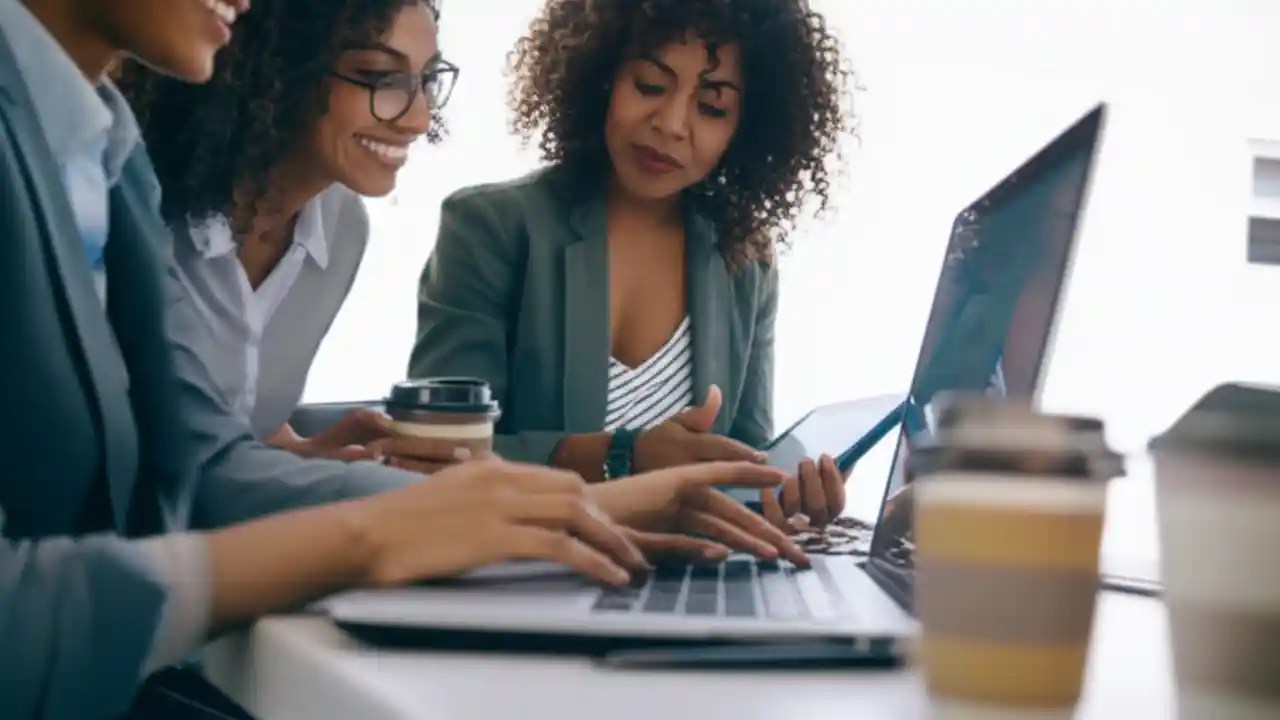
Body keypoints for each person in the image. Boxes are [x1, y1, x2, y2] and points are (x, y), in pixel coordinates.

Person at [0, 1, 805, 717]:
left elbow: (202, 463)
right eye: (382, 78)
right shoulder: (496, 223)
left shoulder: (107, 155)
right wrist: (380, 531)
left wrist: (603, 505)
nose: (417, 118)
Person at [409, 0, 856, 529]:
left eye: (711, 108)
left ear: (748, 127)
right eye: (648, 84)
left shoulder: (745, 259)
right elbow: (431, 459)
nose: (670, 125)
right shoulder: (491, 227)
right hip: (527, 573)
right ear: (601, 76)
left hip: (683, 580)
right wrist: (624, 455)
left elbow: (744, 456)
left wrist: (788, 493)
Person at [118, 0, 457, 462]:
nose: (418, 119)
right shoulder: (135, 204)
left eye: (428, 81)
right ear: (282, 67)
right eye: (380, 77)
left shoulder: (341, 230)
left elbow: (232, 422)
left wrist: (307, 456)